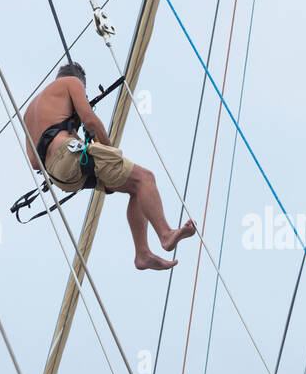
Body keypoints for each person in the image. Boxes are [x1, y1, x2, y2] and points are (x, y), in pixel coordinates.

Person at [23, 62, 194, 270]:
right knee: (145, 178)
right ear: (81, 83)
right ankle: (166, 234)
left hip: (60, 177)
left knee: (135, 189)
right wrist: (111, 152)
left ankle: (143, 254)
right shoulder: (72, 82)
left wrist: (68, 131)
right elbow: (91, 122)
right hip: (70, 155)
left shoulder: (30, 111)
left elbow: (34, 162)